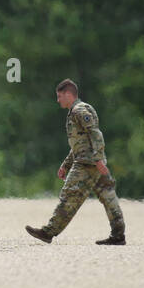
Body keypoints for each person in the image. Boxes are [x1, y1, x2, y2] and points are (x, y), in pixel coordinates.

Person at [26, 79, 126, 245]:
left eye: (59, 96)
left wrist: (98, 158)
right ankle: (118, 235)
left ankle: (48, 232)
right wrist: (66, 164)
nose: (58, 100)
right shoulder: (78, 110)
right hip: (90, 161)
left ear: (68, 94)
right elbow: (80, 143)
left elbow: (96, 134)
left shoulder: (79, 111)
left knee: (69, 195)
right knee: (108, 196)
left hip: (87, 164)